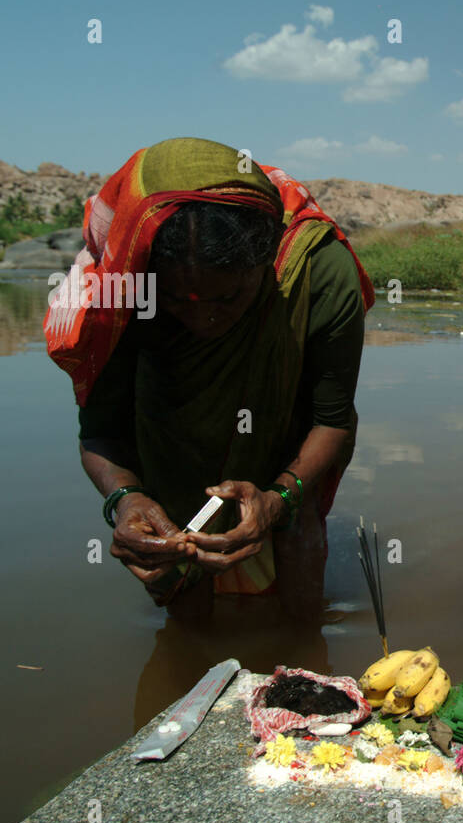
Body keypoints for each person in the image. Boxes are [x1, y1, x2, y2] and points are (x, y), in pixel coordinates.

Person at [45, 137, 374, 621]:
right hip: (172, 440)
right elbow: (100, 431)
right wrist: (126, 499)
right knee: (179, 577)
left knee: (298, 558)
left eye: (228, 299)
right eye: (179, 301)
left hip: (294, 434)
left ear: (268, 263)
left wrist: (280, 498)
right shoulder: (120, 289)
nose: (205, 321)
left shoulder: (317, 268)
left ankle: (305, 649)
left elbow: (332, 419)